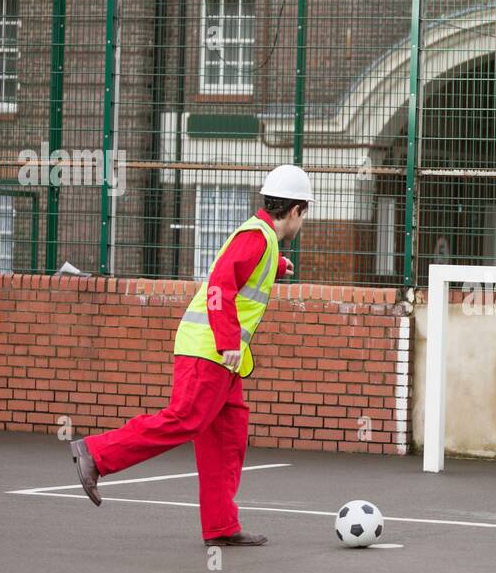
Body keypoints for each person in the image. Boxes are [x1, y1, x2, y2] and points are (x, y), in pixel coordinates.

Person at [69, 165, 314, 545]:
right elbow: (220, 286)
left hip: (220, 357)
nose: (303, 222)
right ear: (296, 210)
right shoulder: (257, 237)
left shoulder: (262, 239)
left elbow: (239, 270)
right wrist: (228, 341)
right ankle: (96, 454)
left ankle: (221, 526)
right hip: (210, 351)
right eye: (305, 214)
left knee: (227, 437)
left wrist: (277, 267)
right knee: (184, 420)